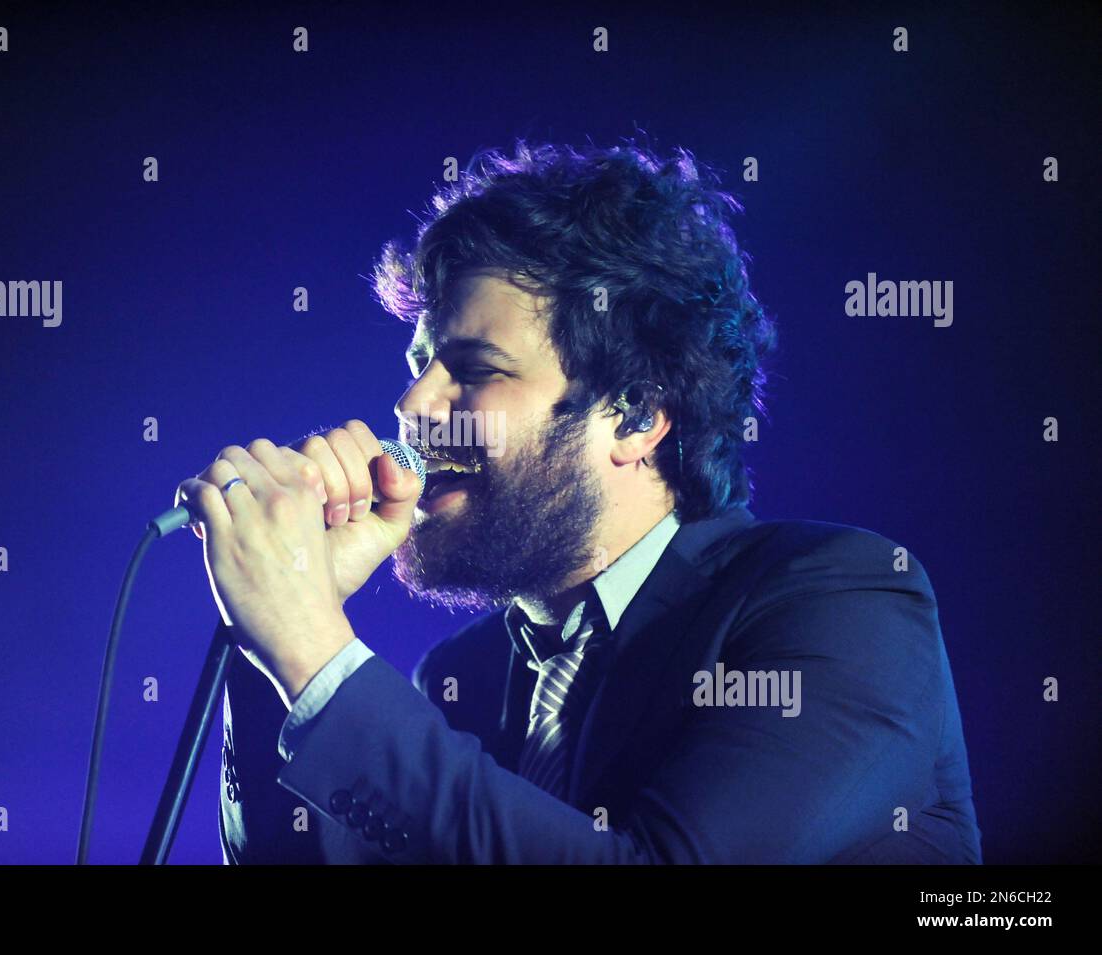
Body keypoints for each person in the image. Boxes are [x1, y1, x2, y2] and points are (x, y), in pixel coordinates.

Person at [175, 140, 982, 863]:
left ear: (634, 414)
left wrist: (315, 652)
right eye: (419, 363)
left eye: (474, 367)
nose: (414, 407)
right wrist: (272, 640)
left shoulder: (842, 600)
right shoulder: (465, 672)